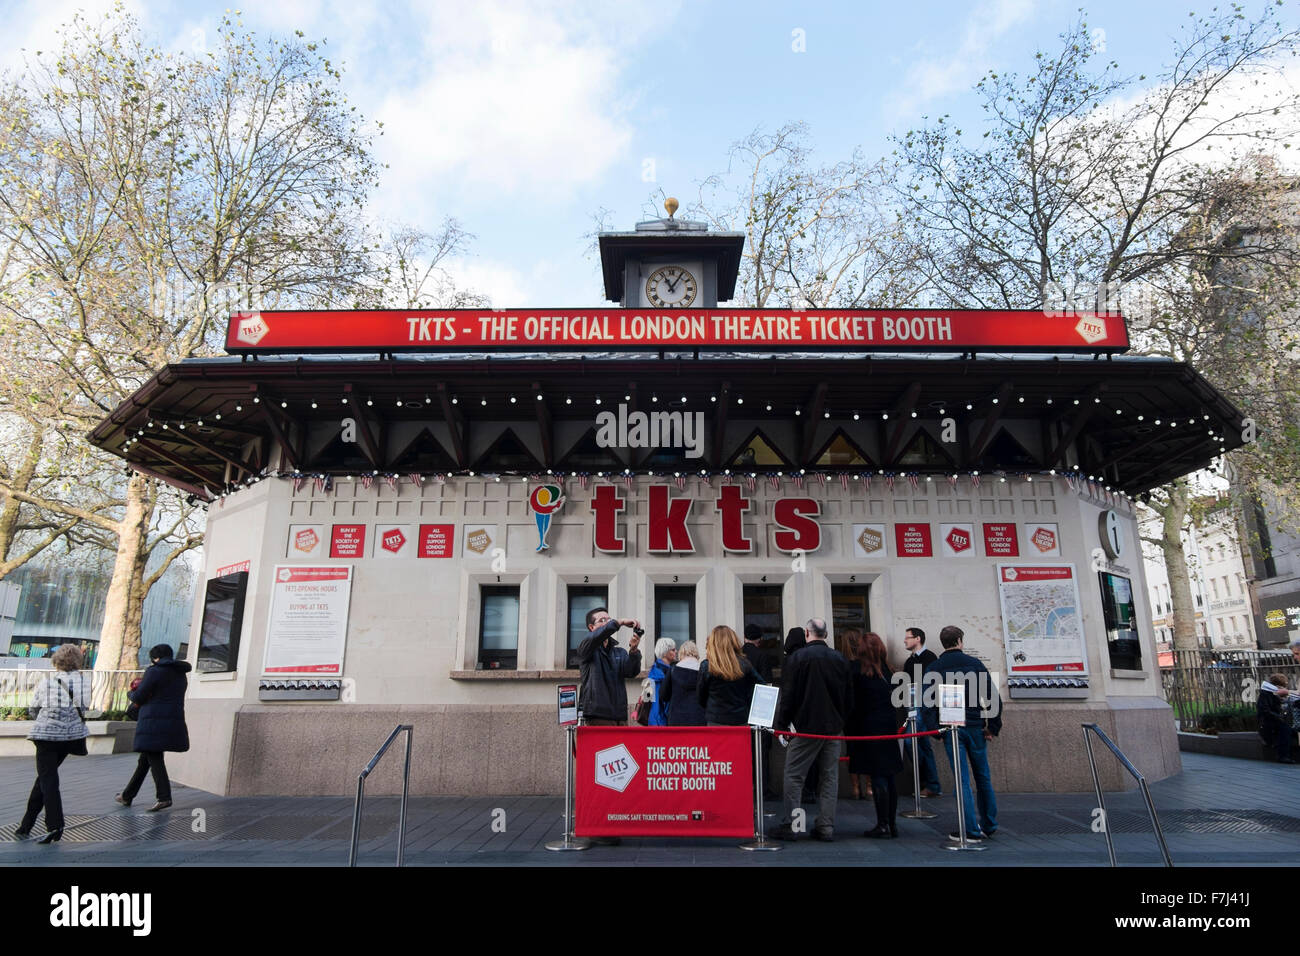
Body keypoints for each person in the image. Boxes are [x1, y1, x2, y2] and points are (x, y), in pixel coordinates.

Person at [774, 617, 853, 842]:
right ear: (825, 634)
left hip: (806, 727)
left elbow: (788, 696)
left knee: (794, 775)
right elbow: (849, 697)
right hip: (833, 726)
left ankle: (794, 824)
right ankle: (826, 827)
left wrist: (782, 725)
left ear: (807, 633)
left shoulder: (797, 658)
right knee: (830, 777)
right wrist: (840, 720)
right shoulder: (839, 658)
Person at [922, 625, 1002, 842]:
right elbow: (992, 697)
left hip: (951, 727)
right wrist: (992, 726)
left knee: (962, 780)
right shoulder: (975, 664)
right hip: (975, 726)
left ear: (943, 642)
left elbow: (927, 703)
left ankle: (970, 829)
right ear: (959, 640)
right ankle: (989, 823)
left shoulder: (934, 667)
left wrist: (935, 731)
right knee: (983, 776)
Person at [19, 644, 90, 843]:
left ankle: (55, 825)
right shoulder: (83, 682)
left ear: (57, 660)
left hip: (46, 736)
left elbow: (34, 708)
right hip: (69, 738)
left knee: (48, 779)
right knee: (44, 777)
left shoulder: (47, 682)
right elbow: (84, 707)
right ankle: (26, 824)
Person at [115, 643, 191, 812]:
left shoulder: (154, 671)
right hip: (172, 719)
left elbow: (140, 695)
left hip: (153, 721)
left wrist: (130, 694)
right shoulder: (180, 674)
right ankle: (127, 796)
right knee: (145, 759)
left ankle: (164, 797)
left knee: (154, 757)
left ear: (156, 658)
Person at [846, 632, 905, 838]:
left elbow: (851, 702)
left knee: (879, 775)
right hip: (888, 726)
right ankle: (891, 822)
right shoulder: (888, 671)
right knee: (888, 776)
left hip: (869, 727)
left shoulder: (857, 670)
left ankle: (883, 824)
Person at [576, 607, 642, 725]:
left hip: (619, 716)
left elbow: (631, 672)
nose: (607, 623)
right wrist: (619, 622)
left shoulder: (619, 652)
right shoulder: (587, 649)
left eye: (609, 619)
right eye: (602, 620)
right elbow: (594, 638)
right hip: (597, 716)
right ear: (591, 627)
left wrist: (633, 650)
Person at [902, 626, 942, 798]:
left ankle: (928, 782)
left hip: (923, 707)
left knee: (912, 742)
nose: (905, 640)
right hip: (911, 706)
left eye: (908, 637)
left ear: (918, 639)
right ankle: (931, 784)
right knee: (923, 744)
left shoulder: (930, 658)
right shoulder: (909, 661)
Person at [697, 625, 762, 726]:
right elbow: (761, 686)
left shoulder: (707, 665)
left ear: (713, 643)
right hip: (740, 719)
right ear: (733, 641)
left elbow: (701, 697)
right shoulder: (744, 663)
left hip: (716, 720)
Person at [840, 628, 872, 801]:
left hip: (850, 715)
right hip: (866, 712)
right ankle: (868, 786)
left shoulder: (843, 664)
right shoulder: (867, 664)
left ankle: (855, 787)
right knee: (867, 750)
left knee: (852, 750)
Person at [662, 640, 706, 726]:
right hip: (699, 718)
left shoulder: (673, 670)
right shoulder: (703, 670)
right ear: (696, 653)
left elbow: (664, 696)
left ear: (681, 653)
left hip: (676, 719)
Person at [1257, 673, 1296, 764]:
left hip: (1275, 719)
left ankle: (1286, 754)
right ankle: (1283, 756)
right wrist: (1279, 718)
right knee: (1285, 729)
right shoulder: (1266, 693)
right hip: (1268, 721)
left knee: (1290, 729)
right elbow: (1264, 710)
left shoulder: (1275, 693)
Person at [647, 638, 677, 726]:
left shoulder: (652, 671)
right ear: (665, 652)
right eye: (673, 650)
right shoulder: (667, 673)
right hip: (663, 721)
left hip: (652, 719)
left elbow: (647, 698)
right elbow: (667, 703)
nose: (676, 651)